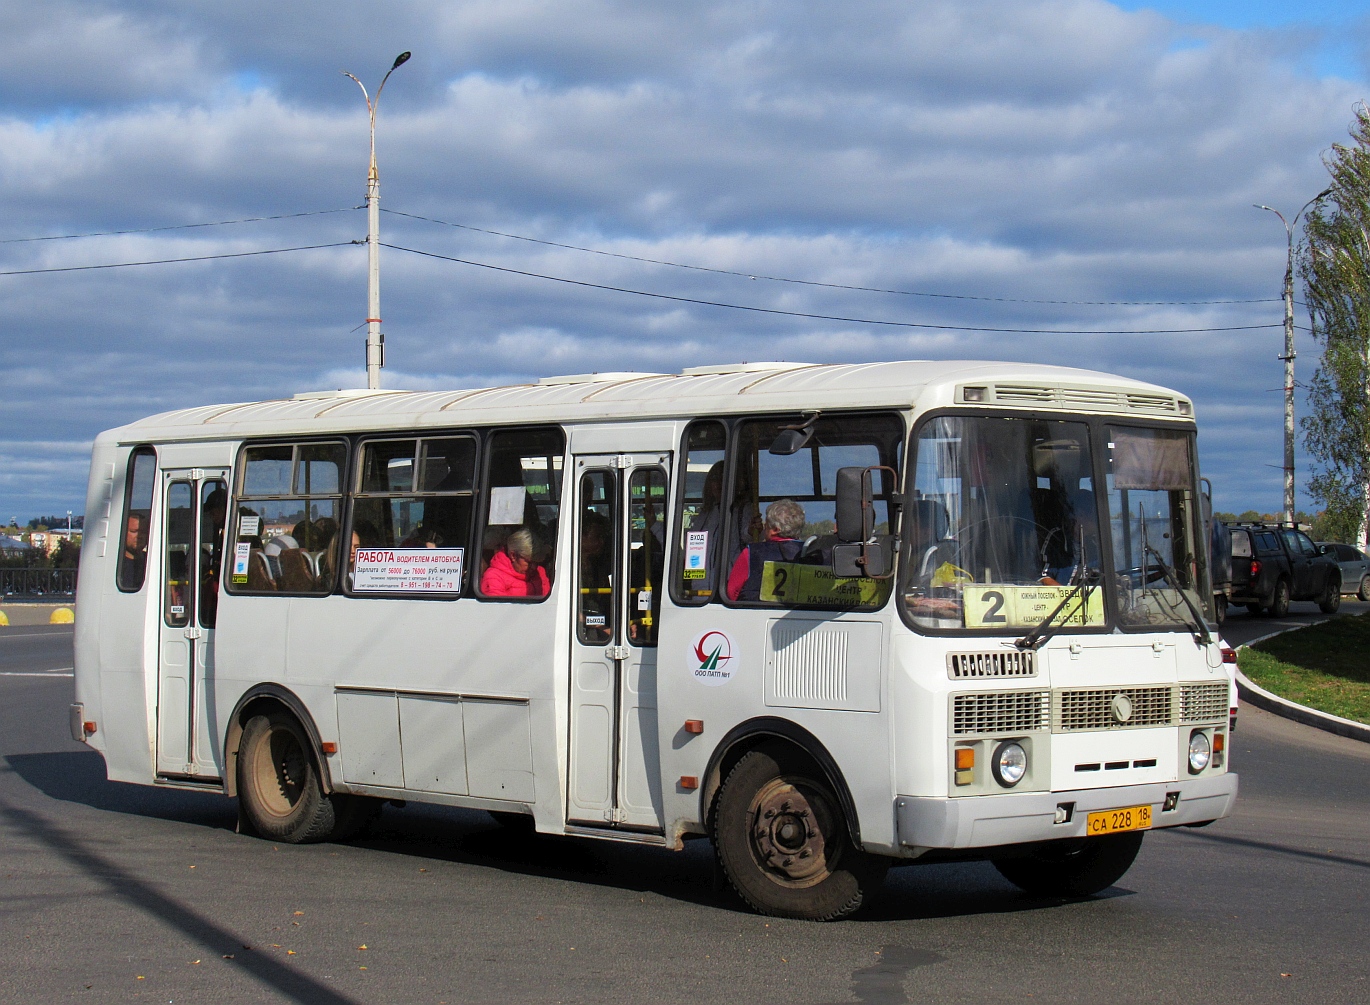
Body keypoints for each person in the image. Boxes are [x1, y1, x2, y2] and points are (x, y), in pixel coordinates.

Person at [726, 499, 806, 602]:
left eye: (766, 524)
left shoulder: (751, 553)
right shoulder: (811, 552)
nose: (764, 527)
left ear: (775, 530)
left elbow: (732, 592)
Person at [481, 526, 550, 597]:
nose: (534, 567)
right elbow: (496, 607)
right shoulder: (494, 577)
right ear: (513, 556)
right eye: (529, 562)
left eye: (536, 562)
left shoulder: (540, 572)